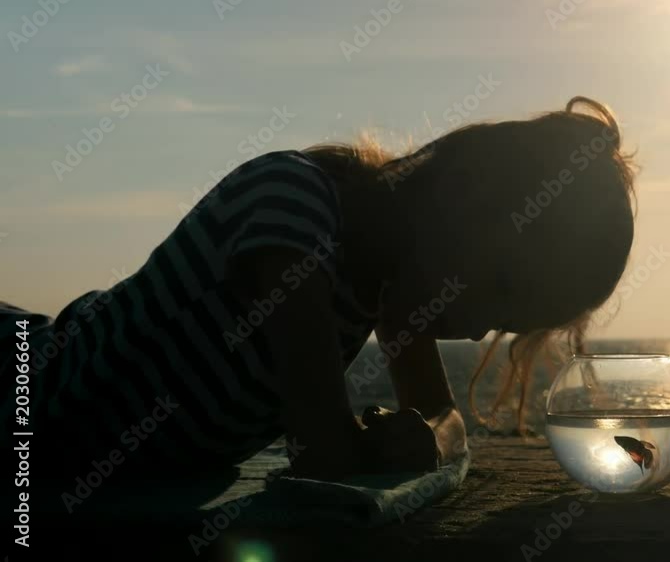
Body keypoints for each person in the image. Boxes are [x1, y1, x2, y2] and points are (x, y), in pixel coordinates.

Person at [1, 96, 637, 487]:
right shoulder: (292, 207)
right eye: (500, 291)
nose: (477, 330)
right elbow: (322, 455)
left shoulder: (390, 282)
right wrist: (389, 445)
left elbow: (448, 428)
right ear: (461, 202)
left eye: (505, 322)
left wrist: (426, 436)